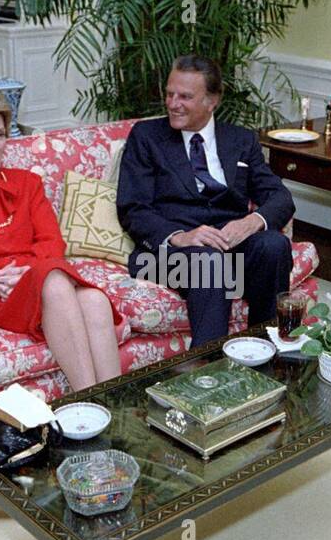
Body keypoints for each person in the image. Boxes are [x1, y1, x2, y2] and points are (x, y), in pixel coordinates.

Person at [0, 83, 122, 391]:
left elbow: (52, 243)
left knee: (94, 300)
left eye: (0, 134)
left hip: (41, 281)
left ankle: (115, 403)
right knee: (55, 281)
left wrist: (30, 273)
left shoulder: (27, 184)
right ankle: (89, 402)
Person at [116, 54, 296, 347]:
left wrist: (251, 222)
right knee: (207, 262)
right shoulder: (147, 137)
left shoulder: (240, 140)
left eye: (185, 96)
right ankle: (208, 372)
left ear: (212, 101)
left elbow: (279, 197)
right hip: (161, 258)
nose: (173, 103)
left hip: (228, 250)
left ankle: (264, 350)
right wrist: (181, 237)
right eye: (169, 94)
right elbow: (132, 208)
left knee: (273, 245)